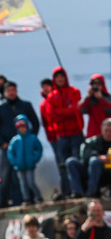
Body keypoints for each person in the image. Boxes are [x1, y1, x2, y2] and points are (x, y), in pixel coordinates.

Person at [0, 81, 39, 209]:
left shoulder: (25, 105)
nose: (11, 93)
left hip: (24, 148)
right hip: (7, 148)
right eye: (9, 91)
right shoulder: (0, 108)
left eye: (13, 90)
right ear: (5, 92)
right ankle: (3, 202)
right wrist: (1, 142)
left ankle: (28, 199)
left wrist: (30, 140)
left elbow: (35, 123)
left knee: (24, 177)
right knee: (4, 176)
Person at [45, 67, 85, 198]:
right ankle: (68, 192)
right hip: (61, 137)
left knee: (77, 163)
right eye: (57, 77)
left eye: (62, 76)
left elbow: (76, 109)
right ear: (54, 79)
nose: (60, 79)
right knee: (63, 166)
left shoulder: (74, 92)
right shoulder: (51, 96)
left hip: (76, 134)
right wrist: (66, 111)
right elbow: (51, 115)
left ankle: (80, 190)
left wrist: (60, 111)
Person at [67, 118, 111, 198]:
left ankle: (91, 193)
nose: (108, 133)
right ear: (101, 130)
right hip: (90, 172)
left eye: (110, 131)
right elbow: (84, 153)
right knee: (71, 162)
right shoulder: (93, 141)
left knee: (95, 162)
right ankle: (77, 193)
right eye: (106, 130)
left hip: (107, 174)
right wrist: (98, 156)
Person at [39, 78, 66, 198]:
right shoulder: (43, 104)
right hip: (53, 138)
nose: (46, 88)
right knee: (60, 166)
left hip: (64, 135)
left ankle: (69, 190)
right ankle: (64, 190)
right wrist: (50, 137)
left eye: (48, 86)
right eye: (43, 86)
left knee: (66, 165)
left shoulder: (58, 99)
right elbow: (45, 123)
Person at [7, 115, 43, 205]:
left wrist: (34, 159)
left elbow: (39, 149)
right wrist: (14, 162)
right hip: (19, 166)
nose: (21, 129)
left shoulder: (32, 138)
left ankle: (38, 197)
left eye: (23, 127)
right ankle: (27, 199)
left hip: (30, 165)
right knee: (23, 184)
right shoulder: (15, 140)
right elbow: (10, 152)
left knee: (31, 182)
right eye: (19, 127)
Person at [79, 74, 111, 138]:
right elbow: (81, 109)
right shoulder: (89, 99)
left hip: (107, 135)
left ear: (102, 85)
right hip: (93, 135)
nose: (96, 87)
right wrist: (88, 96)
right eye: (94, 85)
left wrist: (101, 99)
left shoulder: (108, 98)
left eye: (98, 85)